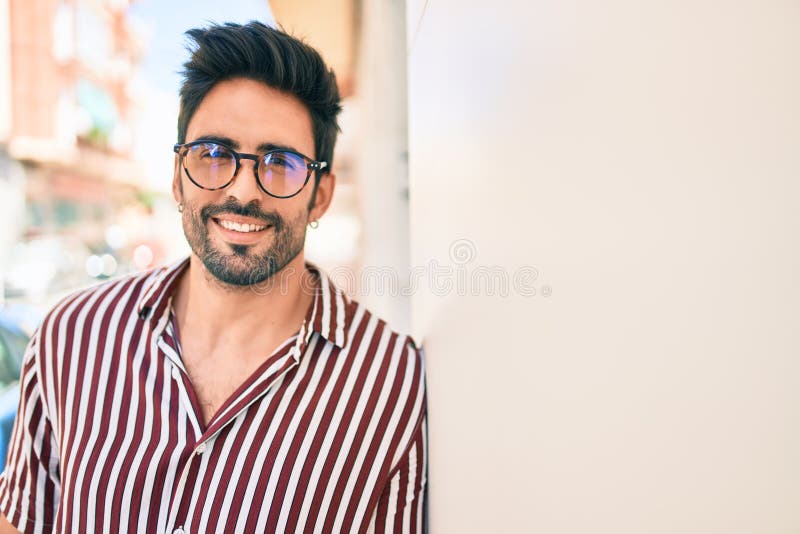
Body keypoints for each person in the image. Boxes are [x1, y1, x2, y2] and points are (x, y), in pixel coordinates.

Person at [0, 21, 427, 534]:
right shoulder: (71, 337)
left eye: (281, 163)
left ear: (322, 194)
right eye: (214, 155)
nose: (243, 190)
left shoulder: (395, 384)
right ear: (178, 177)